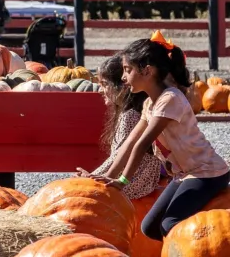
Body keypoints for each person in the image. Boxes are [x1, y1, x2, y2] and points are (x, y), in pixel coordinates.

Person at [94, 33, 229, 240]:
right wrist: (109, 176)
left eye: (127, 70)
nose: (123, 78)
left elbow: (143, 143)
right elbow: (129, 143)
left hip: (207, 173)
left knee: (169, 224)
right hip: (183, 174)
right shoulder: (150, 103)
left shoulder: (171, 99)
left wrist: (123, 180)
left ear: (147, 71)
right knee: (150, 227)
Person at [81, 55, 162, 200]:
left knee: (87, 196)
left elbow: (120, 155)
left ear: (123, 87)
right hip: (133, 176)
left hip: (135, 179)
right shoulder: (127, 113)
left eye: (105, 84)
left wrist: (92, 179)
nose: (100, 90)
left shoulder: (130, 116)